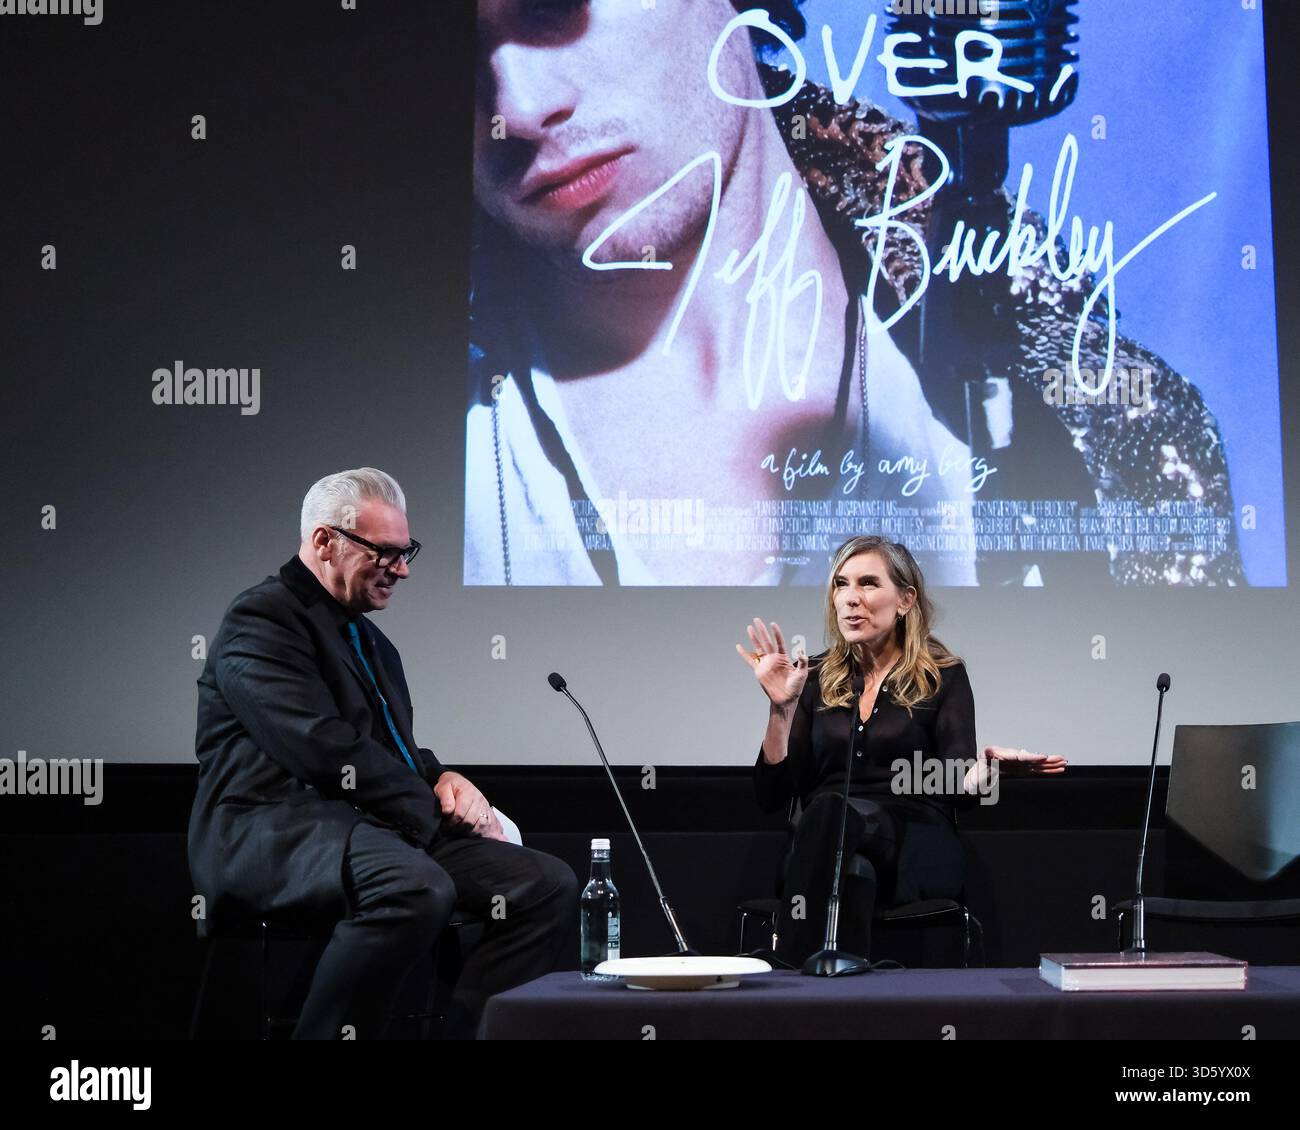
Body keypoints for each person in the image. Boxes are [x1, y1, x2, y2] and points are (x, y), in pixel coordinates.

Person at [467, 0, 1243, 587]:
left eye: (551, 6)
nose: (519, 109)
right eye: (452, 51)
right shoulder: (420, 445)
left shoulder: (1109, 440)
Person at [189, 468, 578, 1038]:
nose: (403, 569)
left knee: (545, 884)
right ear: (324, 542)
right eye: (387, 553)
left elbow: (390, 748)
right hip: (274, 833)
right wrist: (433, 808)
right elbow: (322, 749)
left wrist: (445, 778)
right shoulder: (262, 620)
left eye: (407, 551)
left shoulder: (372, 642)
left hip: (374, 831)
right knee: (415, 887)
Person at [737, 534, 1064, 965]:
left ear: (906, 600)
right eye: (841, 584)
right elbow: (772, 794)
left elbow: (958, 785)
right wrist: (781, 710)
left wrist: (990, 772)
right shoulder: (811, 676)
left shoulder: (942, 676)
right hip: (827, 852)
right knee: (850, 865)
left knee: (832, 816)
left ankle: (793, 979)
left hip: (915, 847)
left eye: (868, 583)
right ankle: (841, 991)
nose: (851, 598)